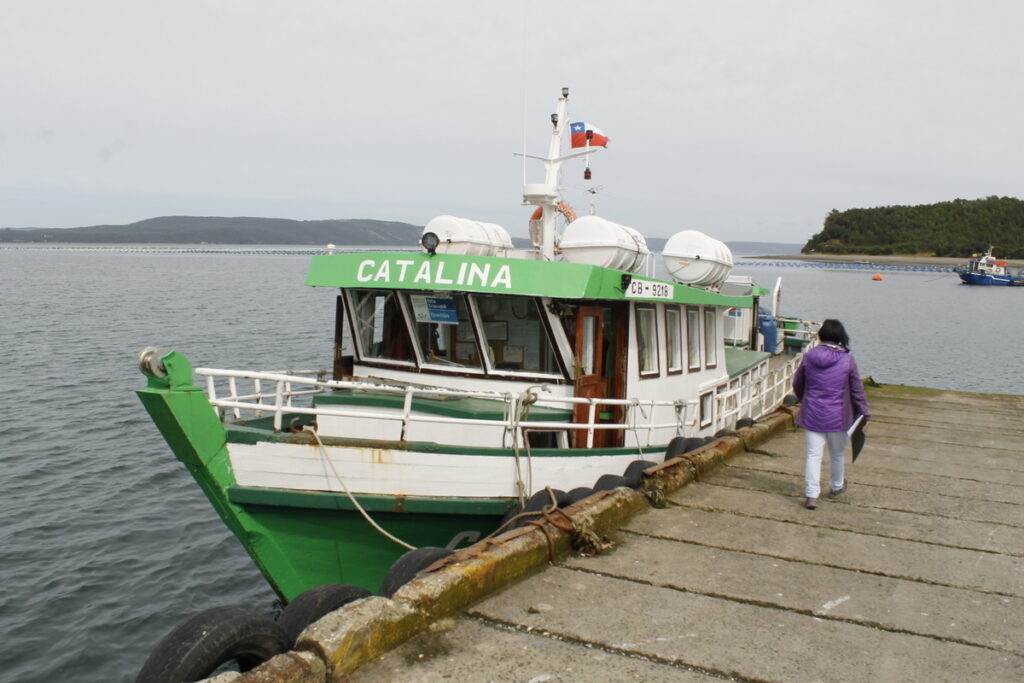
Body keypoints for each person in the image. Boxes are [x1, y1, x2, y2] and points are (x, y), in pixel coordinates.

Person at [792, 319, 870, 509]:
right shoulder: (847, 360)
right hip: (839, 417)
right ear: (840, 336)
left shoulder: (810, 356)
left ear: (821, 335)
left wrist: (805, 400)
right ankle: (836, 487)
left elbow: (797, 383)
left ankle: (811, 495)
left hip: (812, 413)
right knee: (837, 455)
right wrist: (865, 414)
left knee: (813, 455)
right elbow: (856, 390)